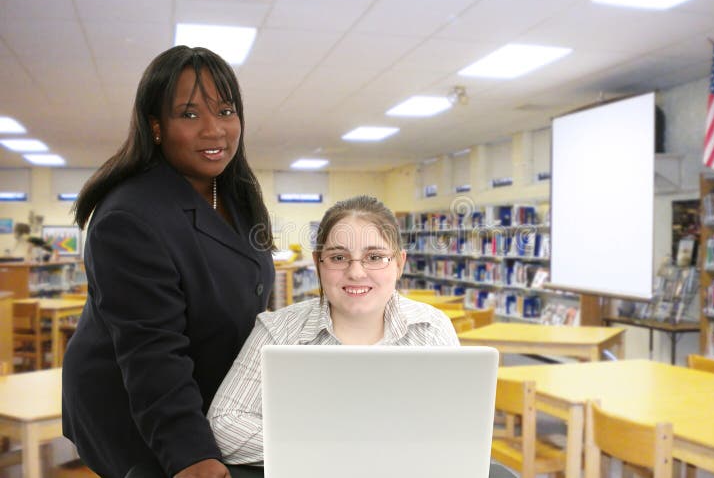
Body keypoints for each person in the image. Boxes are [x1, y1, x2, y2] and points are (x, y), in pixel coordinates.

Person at [62, 45, 276, 478]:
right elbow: (151, 352)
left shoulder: (234, 194)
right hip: (137, 409)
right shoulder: (128, 218)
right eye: (189, 114)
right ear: (156, 127)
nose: (214, 130)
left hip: (211, 390)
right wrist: (190, 455)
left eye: (226, 111)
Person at [207, 195, 459, 465]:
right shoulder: (277, 331)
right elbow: (224, 425)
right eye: (338, 257)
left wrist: (311, 446)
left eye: (375, 257)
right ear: (318, 263)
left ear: (399, 263)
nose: (356, 273)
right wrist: (349, 451)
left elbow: (458, 428)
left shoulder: (432, 329)